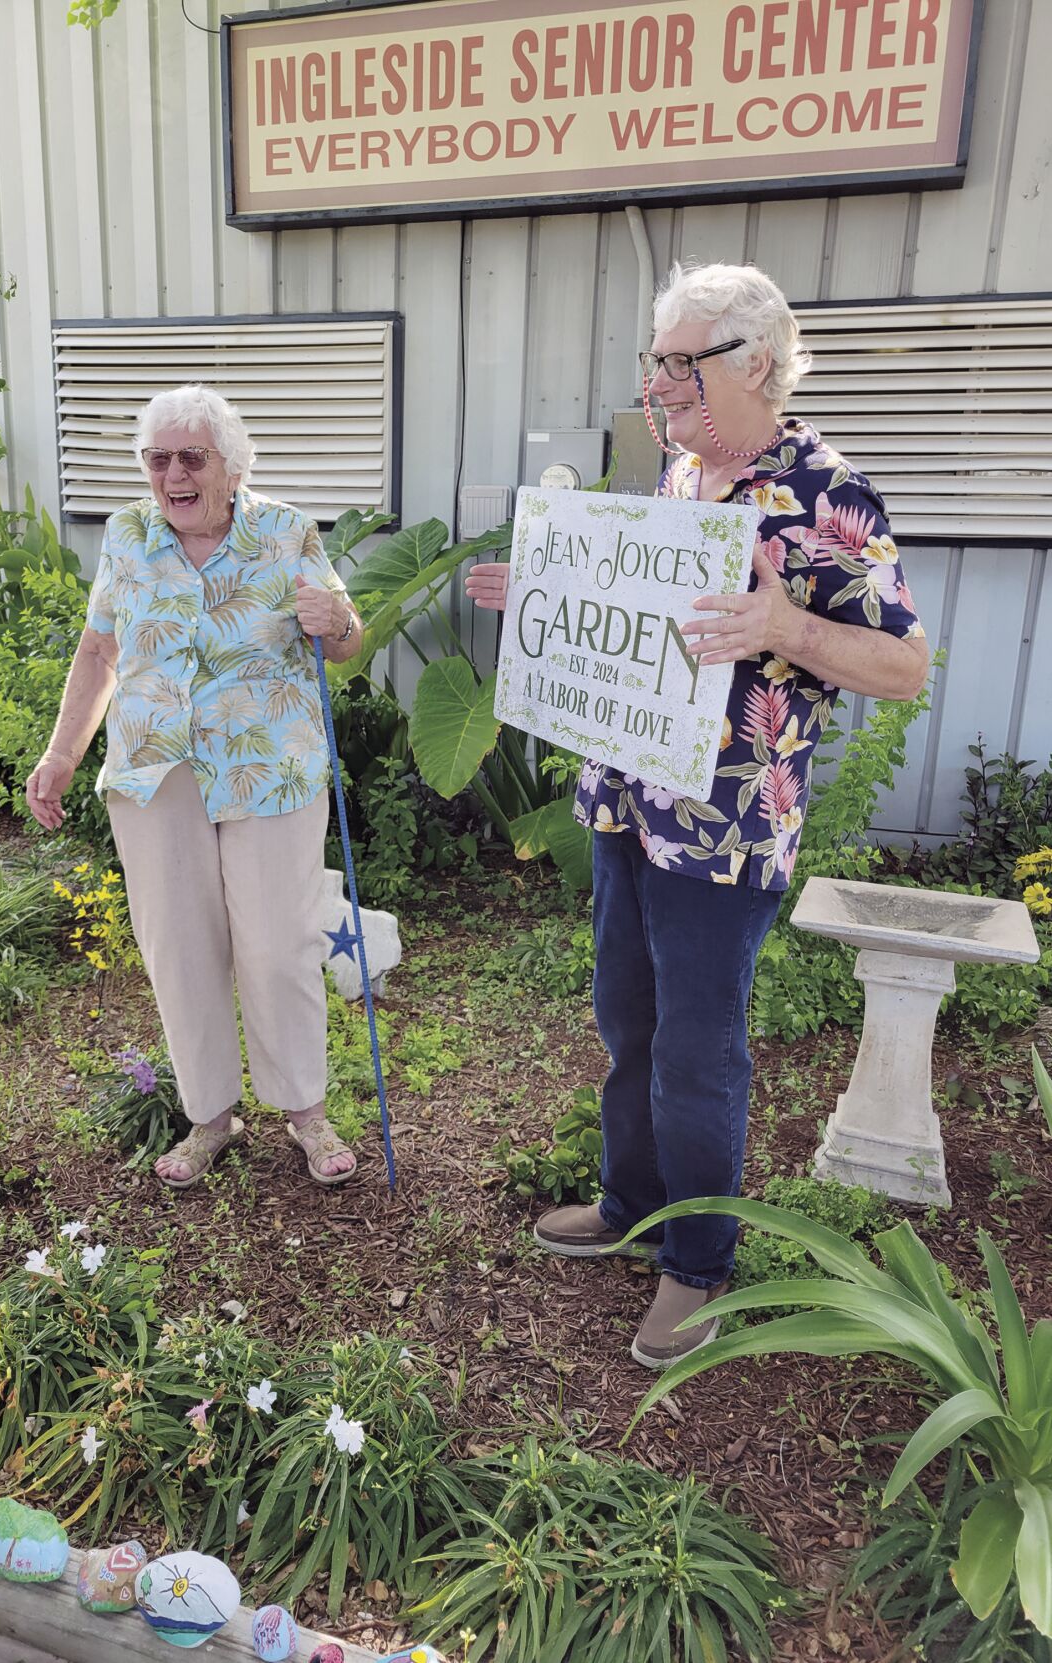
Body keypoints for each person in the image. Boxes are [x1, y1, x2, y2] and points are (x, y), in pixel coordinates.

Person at [466, 262, 928, 1369]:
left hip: (724, 822)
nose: (658, 382)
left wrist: (786, 625)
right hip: (630, 795)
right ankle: (630, 1202)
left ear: (753, 363)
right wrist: (544, 588)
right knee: (624, 1015)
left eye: (680, 361)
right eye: (655, 361)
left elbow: (903, 664)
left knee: (696, 1047)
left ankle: (697, 1265)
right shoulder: (681, 473)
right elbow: (649, 607)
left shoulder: (824, 493)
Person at [26, 384, 364, 1190]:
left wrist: (336, 623)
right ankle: (209, 1115)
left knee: (278, 944)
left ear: (229, 464)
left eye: (191, 457)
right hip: (156, 771)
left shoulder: (287, 532)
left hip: (270, 770)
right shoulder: (127, 534)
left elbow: (347, 640)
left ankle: (304, 1110)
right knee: (179, 944)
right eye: (157, 458)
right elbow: (100, 651)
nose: (172, 474)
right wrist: (61, 754)